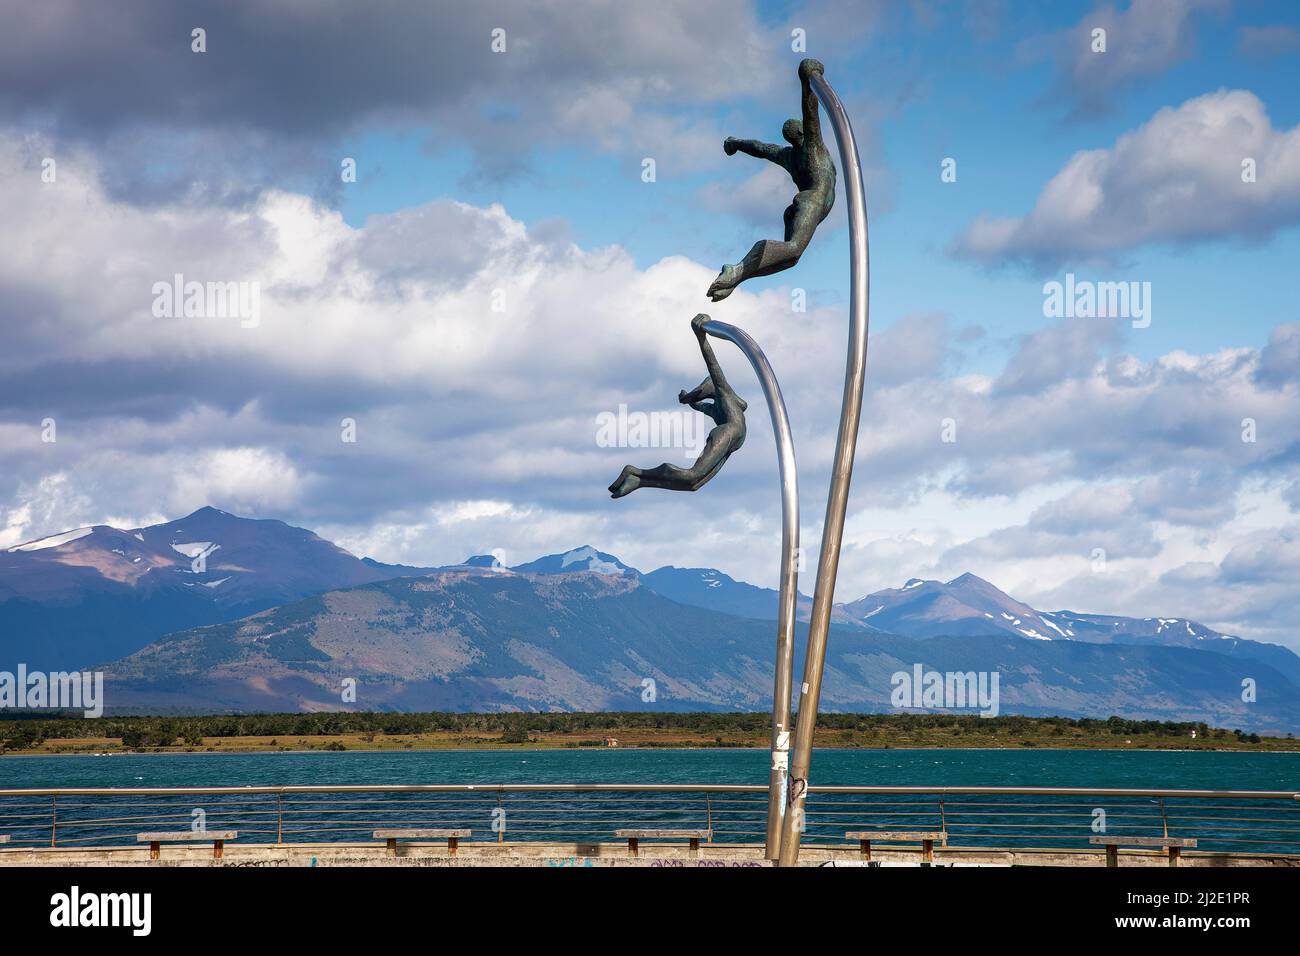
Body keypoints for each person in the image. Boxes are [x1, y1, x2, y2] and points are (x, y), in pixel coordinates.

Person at [706, 58, 836, 302]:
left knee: (791, 258)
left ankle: (737, 277)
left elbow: (760, 148)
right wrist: (806, 80)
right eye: (805, 130)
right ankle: (738, 269)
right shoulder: (813, 148)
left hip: (799, 208)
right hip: (812, 200)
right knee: (794, 249)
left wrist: (735, 142)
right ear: (801, 133)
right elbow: (811, 112)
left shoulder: (786, 155)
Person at [609, 314, 747, 497]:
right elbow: (712, 364)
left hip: (731, 440)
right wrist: (701, 337)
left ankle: (639, 480)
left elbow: (697, 405)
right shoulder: (724, 392)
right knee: (692, 475)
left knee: (693, 484)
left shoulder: (717, 407)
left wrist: (689, 398)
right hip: (728, 434)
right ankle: (636, 472)